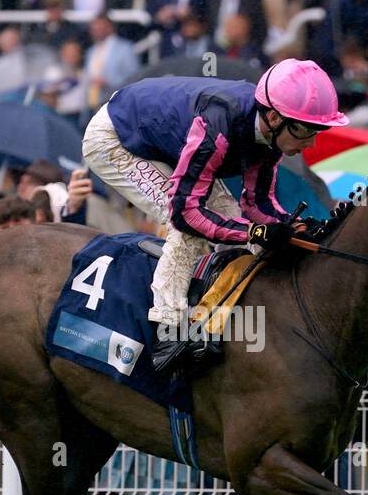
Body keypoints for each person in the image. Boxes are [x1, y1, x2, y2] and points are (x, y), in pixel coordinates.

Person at [81, 58, 348, 372]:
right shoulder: (219, 124)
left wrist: (290, 226)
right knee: (190, 228)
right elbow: (186, 214)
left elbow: (256, 205)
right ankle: (167, 330)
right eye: (306, 131)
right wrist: (255, 233)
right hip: (114, 139)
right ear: (274, 117)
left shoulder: (269, 134)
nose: (312, 143)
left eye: (318, 131)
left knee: (230, 215)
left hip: (160, 139)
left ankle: (216, 312)